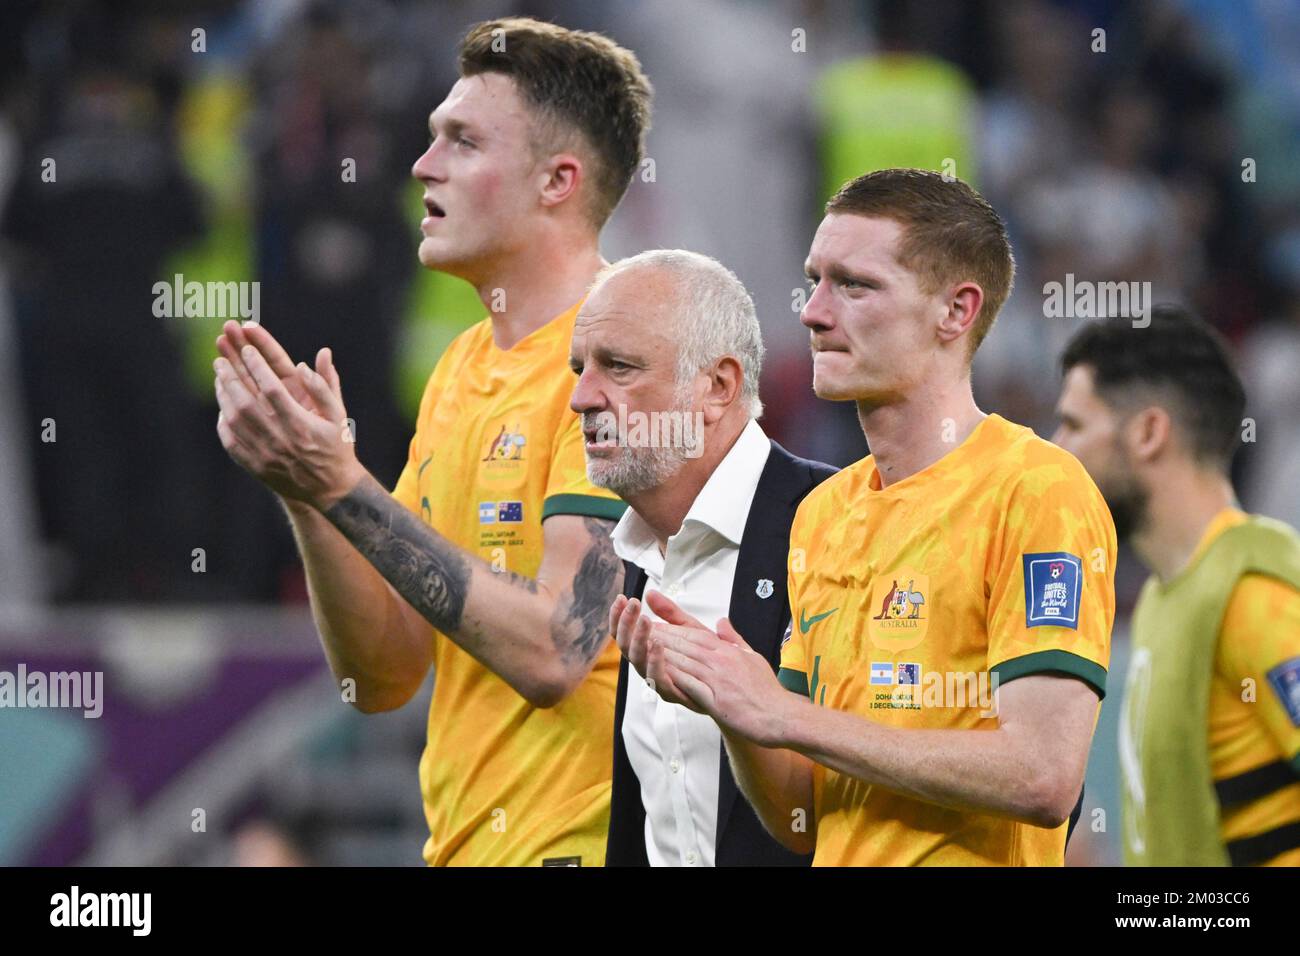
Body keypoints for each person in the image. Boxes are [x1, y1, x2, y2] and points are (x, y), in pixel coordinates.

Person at [212, 17, 652, 866]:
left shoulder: (628, 357)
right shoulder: (460, 370)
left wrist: (345, 486)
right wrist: (310, 492)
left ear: (558, 180)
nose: (421, 165)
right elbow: (383, 676)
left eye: (462, 141)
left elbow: (560, 648)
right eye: (429, 139)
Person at [615, 168, 1116, 865]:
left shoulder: (1035, 490)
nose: (814, 311)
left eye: (854, 285)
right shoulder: (822, 513)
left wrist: (785, 715)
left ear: (956, 311)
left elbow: (1043, 775)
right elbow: (801, 817)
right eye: (815, 279)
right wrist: (734, 710)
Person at [567, 249, 834, 866]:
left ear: (718, 386)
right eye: (580, 369)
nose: (582, 398)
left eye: (619, 367)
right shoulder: (634, 555)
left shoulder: (833, 520)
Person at [1053, 305, 1300, 866]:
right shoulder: (1168, 599)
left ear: (1148, 432)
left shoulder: (1252, 593)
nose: (1056, 450)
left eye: (1073, 425)